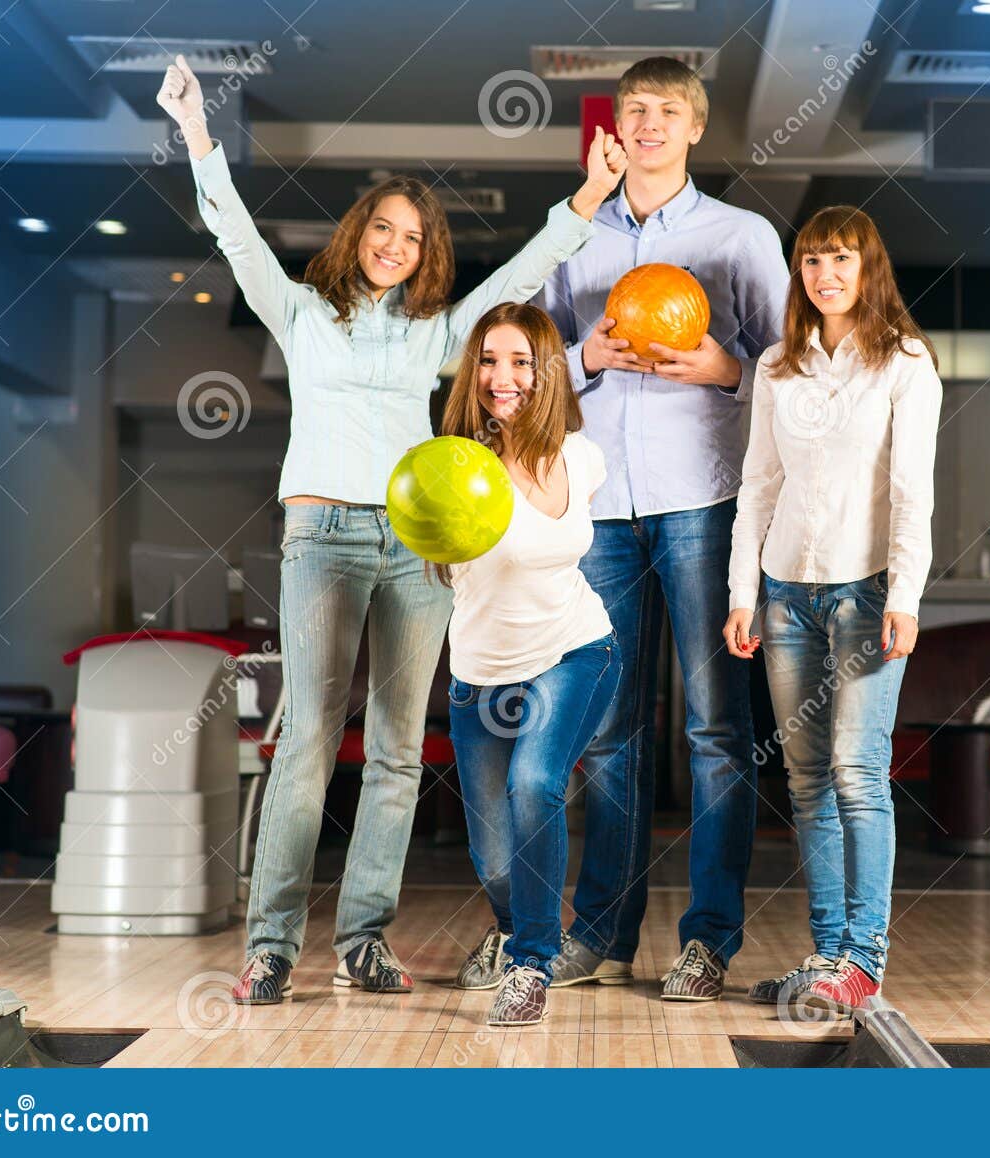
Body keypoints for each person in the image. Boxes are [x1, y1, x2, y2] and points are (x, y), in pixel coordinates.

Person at [154, 55, 626, 1006]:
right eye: (383, 229)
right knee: (308, 744)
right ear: (358, 235)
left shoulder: (437, 337)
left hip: (418, 549)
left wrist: (587, 197)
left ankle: (364, 937)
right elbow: (237, 237)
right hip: (321, 536)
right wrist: (200, 135)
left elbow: (523, 282)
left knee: (400, 751)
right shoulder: (301, 315)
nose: (395, 245)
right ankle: (273, 946)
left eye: (413, 237)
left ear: (426, 252)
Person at [535, 56, 789, 1002]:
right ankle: (600, 934)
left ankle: (709, 938)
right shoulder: (573, 239)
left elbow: (789, 377)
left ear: (694, 129)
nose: (648, 123)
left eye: (667, 111)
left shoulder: (742, 236)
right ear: (614, 129)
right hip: (597, 511)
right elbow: (530, 372)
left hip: (705, 505)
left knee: (717, 727)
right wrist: (586, 357)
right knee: (606, 731)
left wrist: (727, 372)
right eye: (634, 109)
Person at [724, 205, 942, 1016]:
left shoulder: (907, 364)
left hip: (867, 593)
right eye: (812, 261)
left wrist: (907, 598)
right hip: (784, 594)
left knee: (857, 771)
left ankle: (866, 961)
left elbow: (913, 493)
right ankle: (826, 957)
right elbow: (758, 487)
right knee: (807, 778)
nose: (825, 275)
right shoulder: (779, 364)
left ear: (868, 267)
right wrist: (744, 594)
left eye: (841, 259)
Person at [439, 303, 621, 1026]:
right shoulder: (455, 464)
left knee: (536, 782)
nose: (501, 377)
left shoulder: (582, 456)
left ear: (547, 369)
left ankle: (531, 966)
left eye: (520, 361)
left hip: (576, 648)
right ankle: (520, 927)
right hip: (481, 674)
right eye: (488, 360)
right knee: (495, 859)